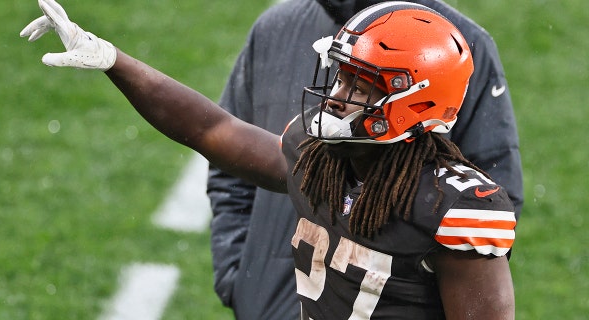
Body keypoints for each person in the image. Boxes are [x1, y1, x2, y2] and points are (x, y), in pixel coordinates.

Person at [21, 0, 517, 318]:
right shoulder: (318, 157)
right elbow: (210, 129)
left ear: (415, 102)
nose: (336, 95)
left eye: (359, 85)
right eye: (340, 77)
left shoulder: (457, 207)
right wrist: (113, 60)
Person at [207, 0, 523, 318]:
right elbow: (227, 153)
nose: (332, 101)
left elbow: (493, 179)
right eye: (339, 80)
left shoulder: (458, 45)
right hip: (270, 302)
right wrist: (239, 278)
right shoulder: (275, 26)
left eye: (357, 86)